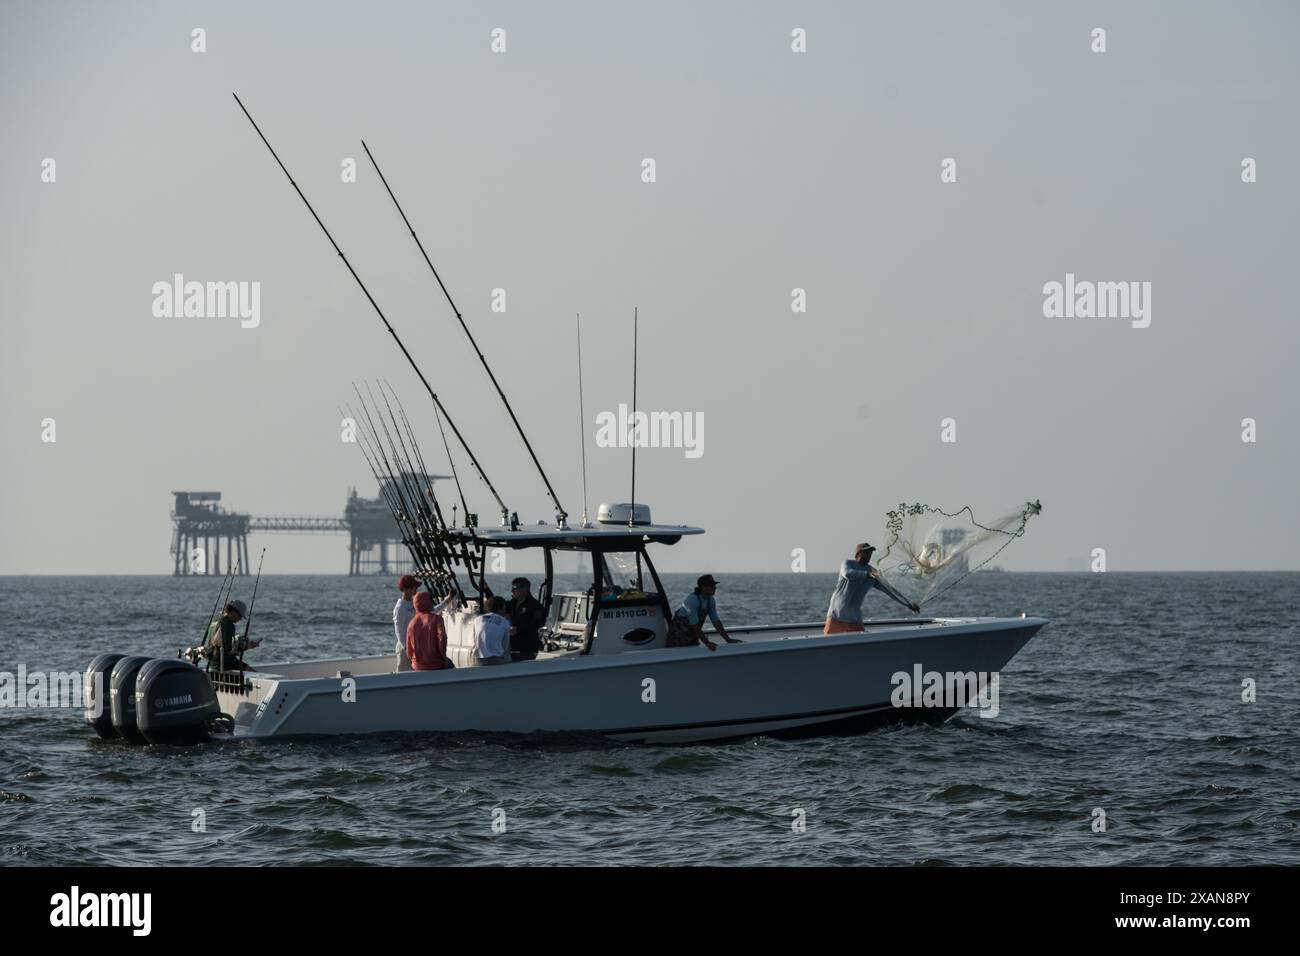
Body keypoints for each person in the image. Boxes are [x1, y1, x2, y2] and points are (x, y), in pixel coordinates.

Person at [824, 542, 920, 635]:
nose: (869, 555)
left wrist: (908, 604)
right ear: (858, 554)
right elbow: (847, 574)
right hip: (836, 617)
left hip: (854, 621)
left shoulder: (872, 573)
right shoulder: (848, 563)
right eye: (866, 552)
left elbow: (891, 591)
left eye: (870, 552)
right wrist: (867, 574)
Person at [667, 575, 741, 652]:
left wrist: (727, 639)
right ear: (703, 587)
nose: (714, 588)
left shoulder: (710, 600)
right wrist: (707, 643)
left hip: (693, 635)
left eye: (714, 585)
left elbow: (716, 621)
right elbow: (694, 625)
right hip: (678, 635)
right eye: (711, 586)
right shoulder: (692, 600)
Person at [204, 599, 260, 669]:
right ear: (234, 612)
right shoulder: (228, 624)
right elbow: (229, 648)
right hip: (223, 663)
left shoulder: (216, 621)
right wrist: (247, 646)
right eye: (240, 616)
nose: (240, 619)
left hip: (211, 663)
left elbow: (219, 641)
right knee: (252, 672)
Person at [405, 590, 451, 671]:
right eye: (431, 600)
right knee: (452, 667)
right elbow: (442, 637)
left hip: (417, 666)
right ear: (428, 603)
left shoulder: (411, 624)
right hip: (436, 664)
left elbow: (409, 652)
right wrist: (443, 656)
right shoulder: (437, 619)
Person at [505, 577, 547, 662]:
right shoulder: (512, 604)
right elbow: (495, 605)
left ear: (525, 589)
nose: (512, 591)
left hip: (526, 650)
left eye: (515, 588)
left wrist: (518, 629)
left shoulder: (535, 606)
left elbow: (538, 624)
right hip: (511, 649)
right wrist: (486, 589)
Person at [470, 596, 512, 665]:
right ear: (499, 609)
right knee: (508, 654)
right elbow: (505, 646)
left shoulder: (477, 620)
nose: (505, 612)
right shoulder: (505, 622)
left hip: (477, 659)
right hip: (496, 660)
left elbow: (474, 640)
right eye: (504, 609)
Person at [392, 575, 420, 672]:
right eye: (413, 587)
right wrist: (407, 649)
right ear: (405, 589)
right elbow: (399, 631)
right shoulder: (400, 608)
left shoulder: (414, 604)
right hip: (404, 648)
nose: (415, 589)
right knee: (402, 675)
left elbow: (430, 612)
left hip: (414, 645)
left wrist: (447, 601)